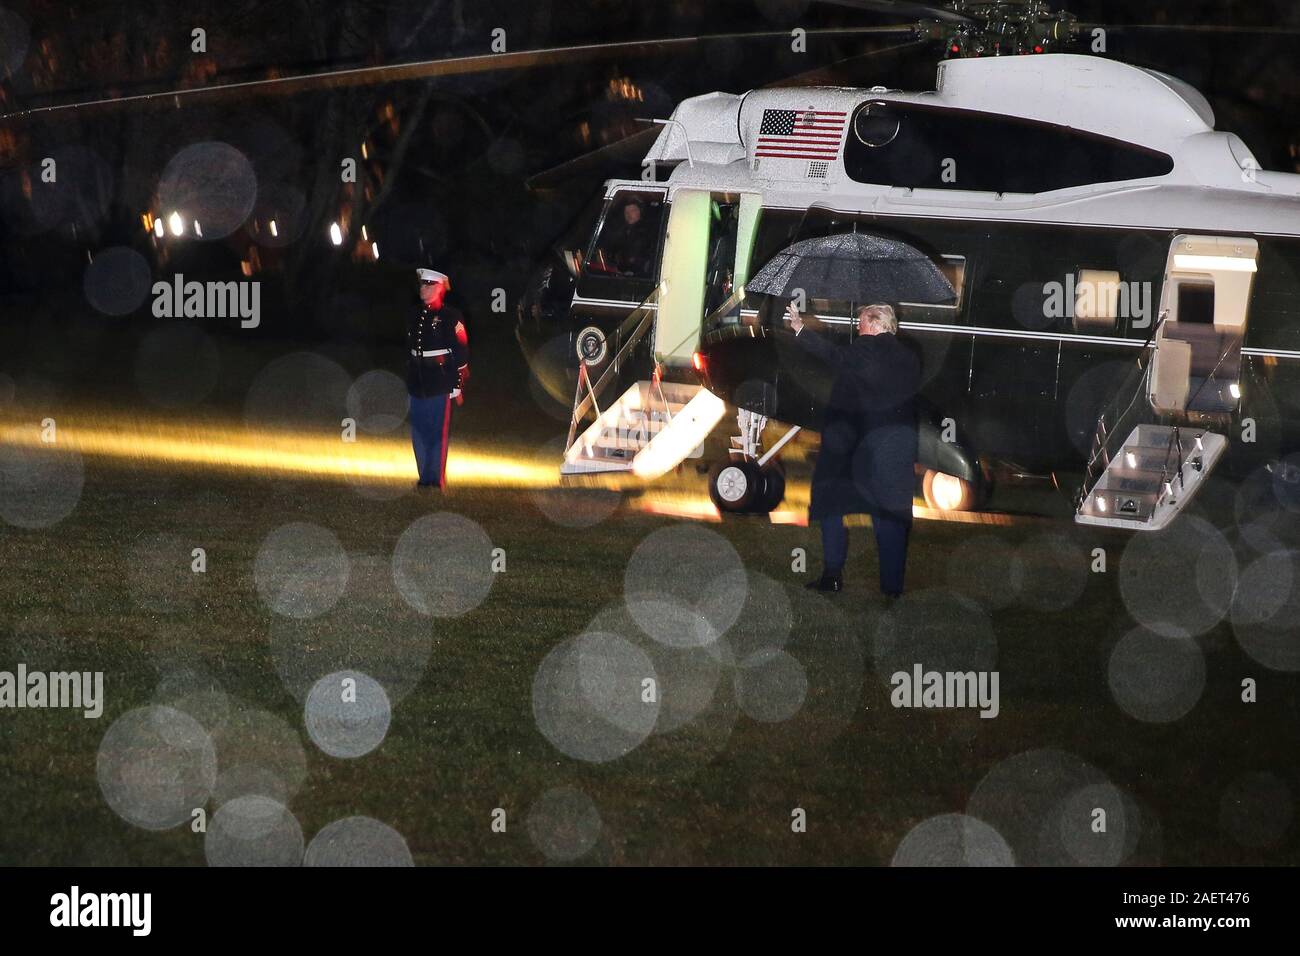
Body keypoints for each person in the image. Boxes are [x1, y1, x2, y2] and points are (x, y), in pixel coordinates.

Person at [786, 301, 920, 597]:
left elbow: (832, 354)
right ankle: (892, 587)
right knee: (890, 517)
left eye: (860, 324)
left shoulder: (865, 350)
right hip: (896, 449)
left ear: (874, 325)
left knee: (831, 503)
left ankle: (832, 574)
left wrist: (800, 329)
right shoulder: (910, 358)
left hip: (856, 449)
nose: (857, 329)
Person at [407, 268, 468, 491]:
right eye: (422, 285)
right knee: (419, 430)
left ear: (439, 287)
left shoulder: (451, 316)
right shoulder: (415, 313)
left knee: (436, 431)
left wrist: (457, 385)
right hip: (418, 379)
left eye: (428, 285)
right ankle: (423, 475)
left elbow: (460, 352)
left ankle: (434, 478)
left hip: (439, 380)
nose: (423, 289)